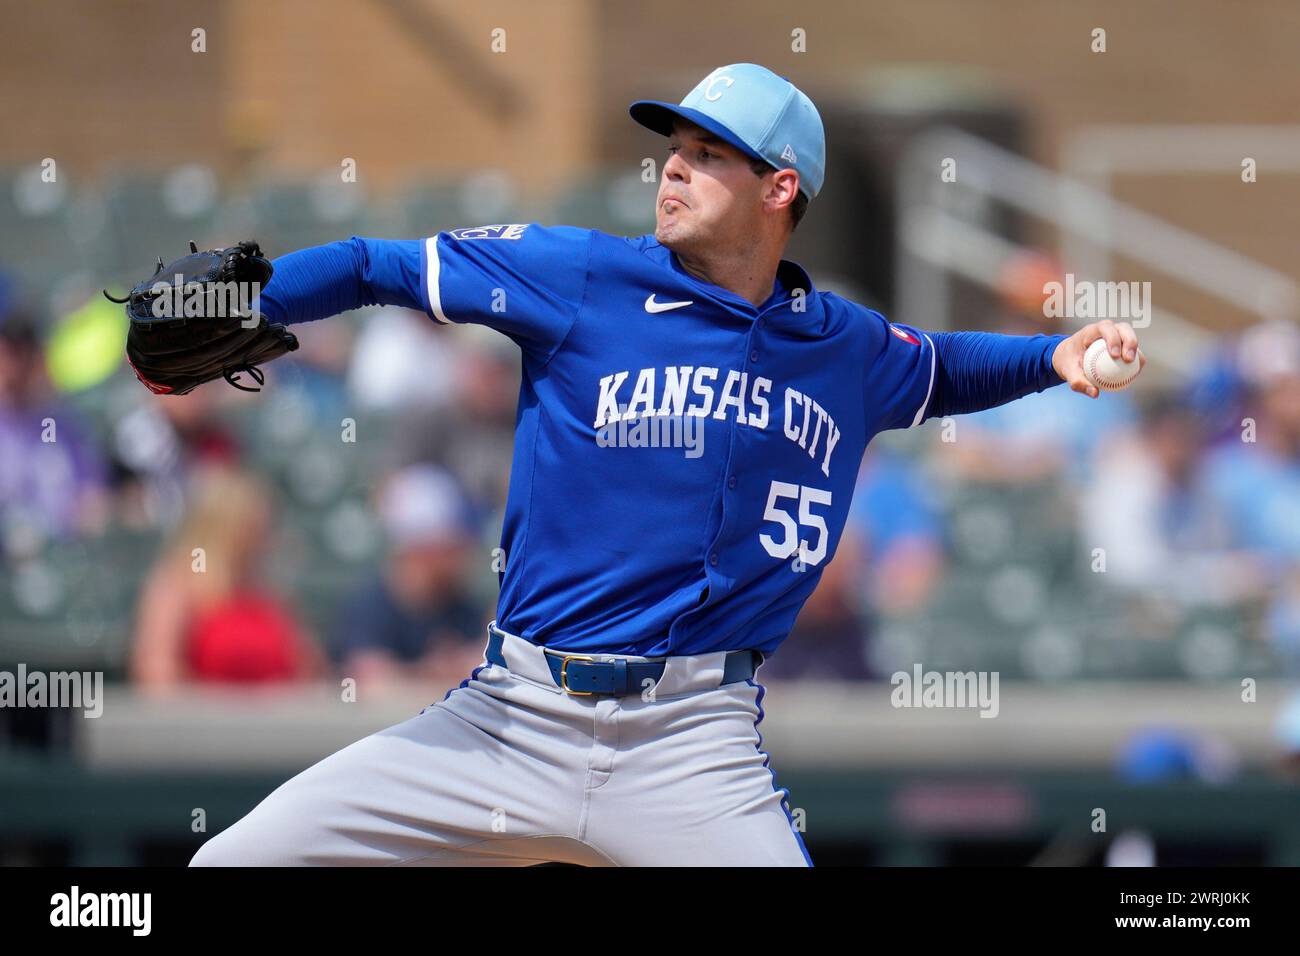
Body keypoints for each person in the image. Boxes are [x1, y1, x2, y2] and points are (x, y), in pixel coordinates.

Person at [191, 63, 1142, 867]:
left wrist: (1052, 358)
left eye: (708, 154)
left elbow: (943, 364)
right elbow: (373, 263)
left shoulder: (842, 346)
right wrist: (250, 301)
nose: (673, 169)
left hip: (692, 745)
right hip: (509, 719)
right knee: (228, 863)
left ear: (781, 190)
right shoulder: (581, 275)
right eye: (674, 148)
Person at [130, 465, 324, 687]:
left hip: (273, 718)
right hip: (204, 718)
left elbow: (307, 665)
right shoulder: (179, 583)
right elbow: (157, 671)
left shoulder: (268, 590)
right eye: (253, 527)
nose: (265, 539)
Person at [334, 464, 489, 691]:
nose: (464, 553)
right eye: (451, 546)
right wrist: (435, 671)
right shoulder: (368, 608)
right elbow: (371, 681)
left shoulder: (464, 606)